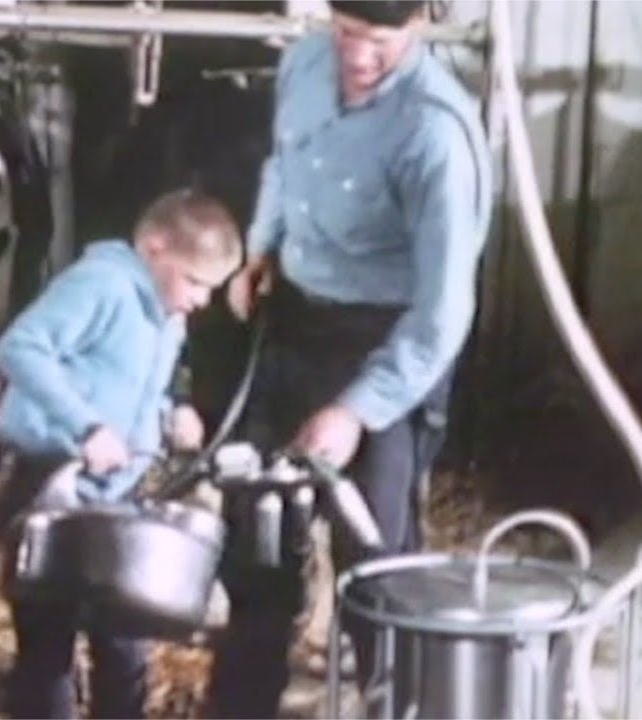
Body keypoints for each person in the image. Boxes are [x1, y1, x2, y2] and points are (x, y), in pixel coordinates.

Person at [208, 1, 493, 717]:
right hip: (296, 319)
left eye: (378, 40)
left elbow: (443, 314)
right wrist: (260, 244)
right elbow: (283, 159)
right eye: (345, 33)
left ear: (421, 25)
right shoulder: (303, 62)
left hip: (387, 344)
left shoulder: (438, 133)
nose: (356, 56)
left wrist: (357, 410)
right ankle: (241, 705)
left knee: (376, 564)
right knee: (258, 531)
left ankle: (391, 705)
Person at [0, 188, 242, 719]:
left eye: (212, 289)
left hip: (114, 494)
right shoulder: (101, 285)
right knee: (47, 648)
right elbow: (19, 347)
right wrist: (86, 426)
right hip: (50, 482)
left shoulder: (168, 317)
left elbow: (140, 384)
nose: (201, 300)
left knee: (127, 642)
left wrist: (171, 411)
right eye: (195, 281)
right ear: (154, 247)